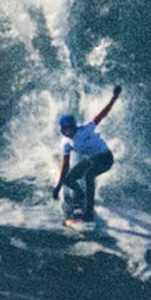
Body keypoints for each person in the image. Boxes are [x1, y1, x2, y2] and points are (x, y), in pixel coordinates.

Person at [51, 88, 121, 227]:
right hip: (91, 160)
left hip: (106, 158)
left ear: (72, 127)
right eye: (62, 129)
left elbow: (102, 114)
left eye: (66, 129)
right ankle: (81, 194)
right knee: (68, 179)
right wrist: (58, 187)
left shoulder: (86, 128)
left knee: (89, 176)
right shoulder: (66, 142)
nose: (64, 132)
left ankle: (89, 211)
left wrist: (114, 98)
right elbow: (65, 166)